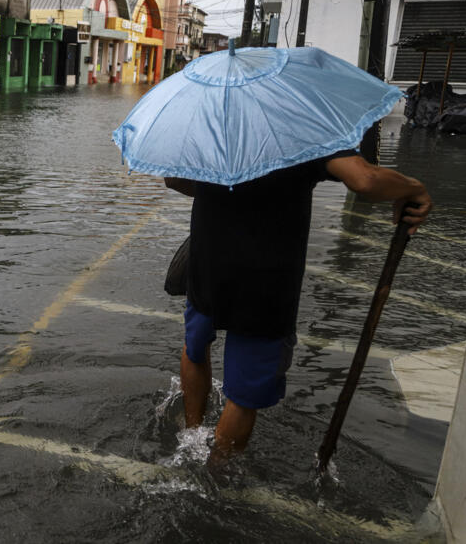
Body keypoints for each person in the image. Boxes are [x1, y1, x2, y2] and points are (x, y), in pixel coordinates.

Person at [164, 150, 432, 462]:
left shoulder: (212, 127)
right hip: (267, 281)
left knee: (195, 348)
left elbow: (174, 180)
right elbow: (365, 179)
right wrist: (414, 188)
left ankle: (192, 436)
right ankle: (215, 473)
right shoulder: (305, 130)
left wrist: (228, 191)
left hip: (207, 259)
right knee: (243, 395)